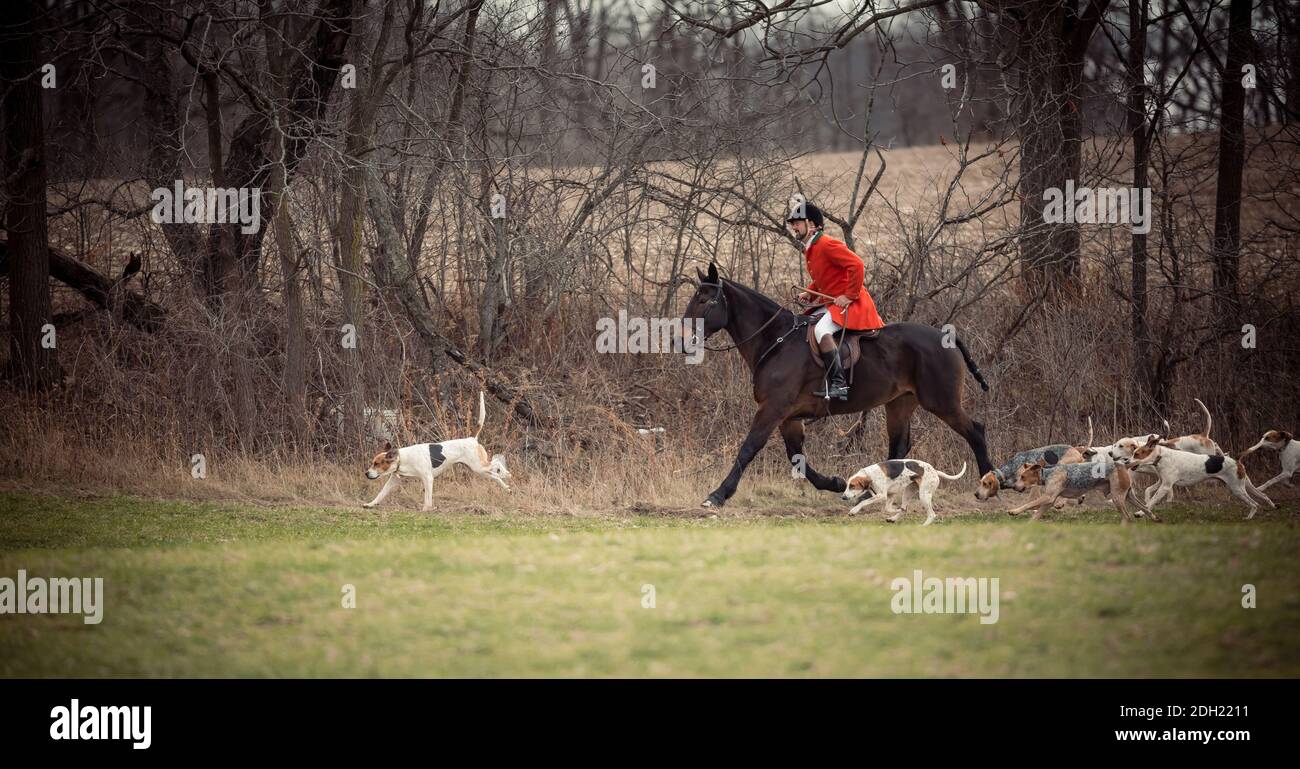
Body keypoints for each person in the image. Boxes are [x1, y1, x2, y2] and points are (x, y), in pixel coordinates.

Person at [788, 201, 885, 400]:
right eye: (793, 224)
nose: (793, 227)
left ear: (811, 224)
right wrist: (810, 292)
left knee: (821, 330)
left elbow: (857, 265)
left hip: (850, 304)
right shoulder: (812, 248)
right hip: (832, 303)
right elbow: (826, 277)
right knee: (803, 325)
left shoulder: (826, 244)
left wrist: (849, 296)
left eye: (797, 223)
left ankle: (839, 385)